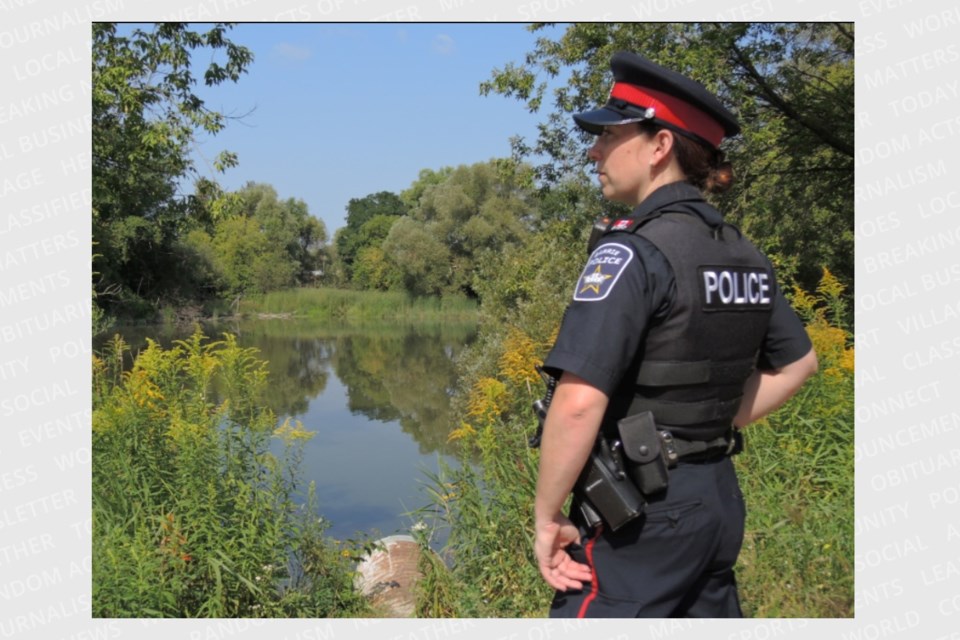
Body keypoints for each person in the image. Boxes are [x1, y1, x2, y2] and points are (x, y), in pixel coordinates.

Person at [532, 51, 818, 618]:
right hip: (715, 498)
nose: (593, 151)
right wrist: (704, 424)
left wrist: (547, 517)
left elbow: (578, 403)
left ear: (659, 146)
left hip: (644, 514)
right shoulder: (743, 254)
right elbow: (798, 364)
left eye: (610, 136)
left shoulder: (632, 252)